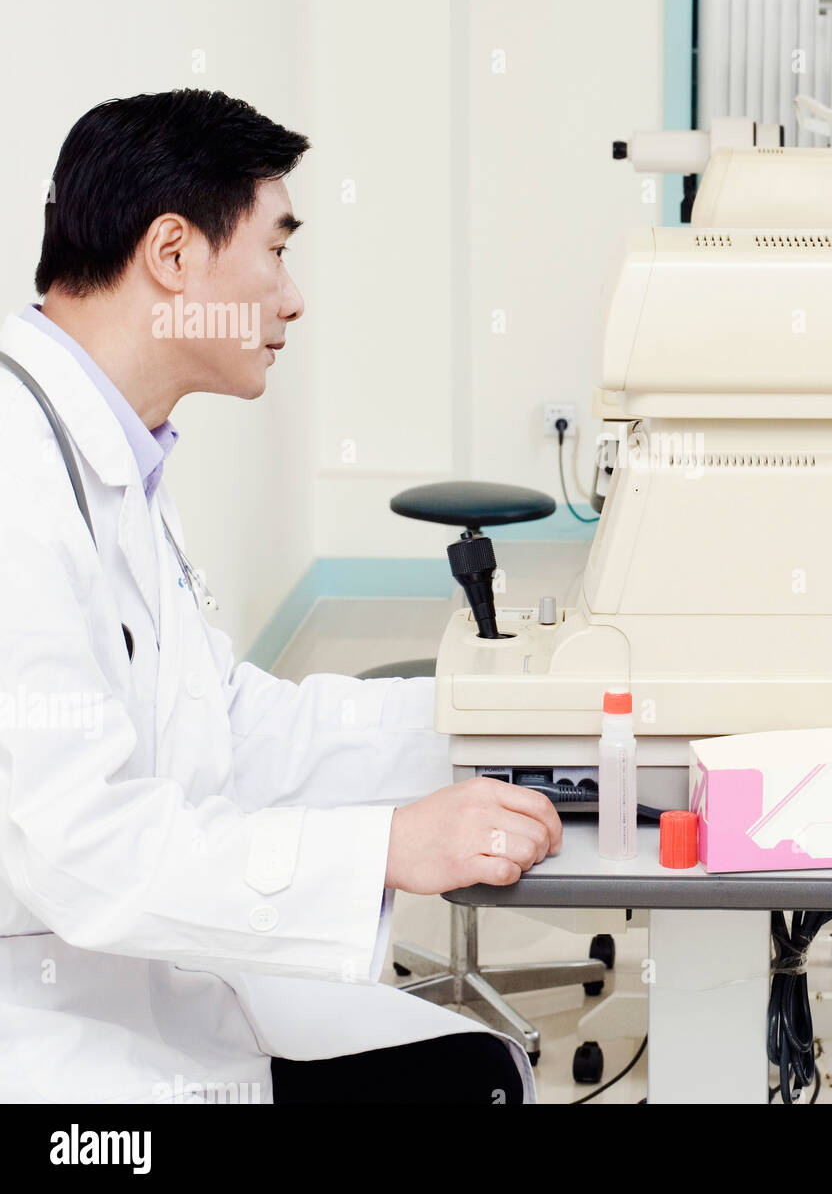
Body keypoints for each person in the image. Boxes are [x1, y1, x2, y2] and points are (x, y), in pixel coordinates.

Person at [0, 90, 561, 1104]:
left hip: (141, 990)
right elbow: (81, 849)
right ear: (174, 256)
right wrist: (386, 846)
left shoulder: (112, 452)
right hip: (49, 1042)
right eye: (275, 250)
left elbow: (231, 721)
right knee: (467, 1085)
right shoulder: (17, 470)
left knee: (480, 1068)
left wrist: (489, 716)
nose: (292, 297)